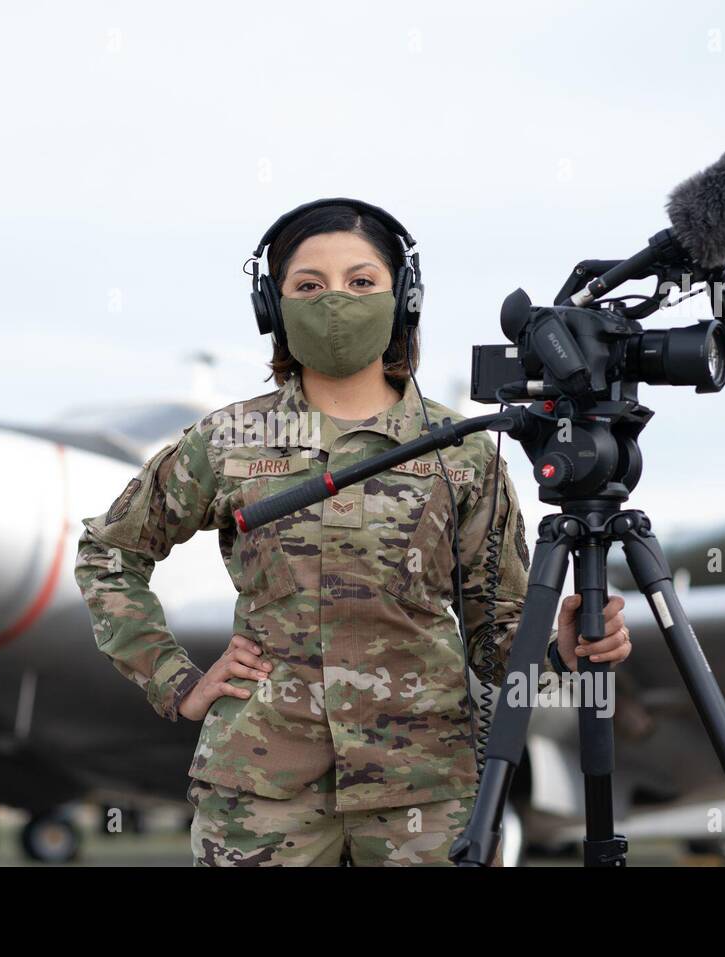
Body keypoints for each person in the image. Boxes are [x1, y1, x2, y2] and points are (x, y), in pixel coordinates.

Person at [74, 199, 632, 866]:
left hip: (424, 790)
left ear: (403, 299)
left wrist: (559, 648)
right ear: (273, 307)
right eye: (309, 285)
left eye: (362, 281)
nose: (335, 301)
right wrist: (175, 680)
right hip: (261, 788)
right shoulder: (227, 440)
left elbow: (495, 633)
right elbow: (109, 552)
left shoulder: (462, 452)